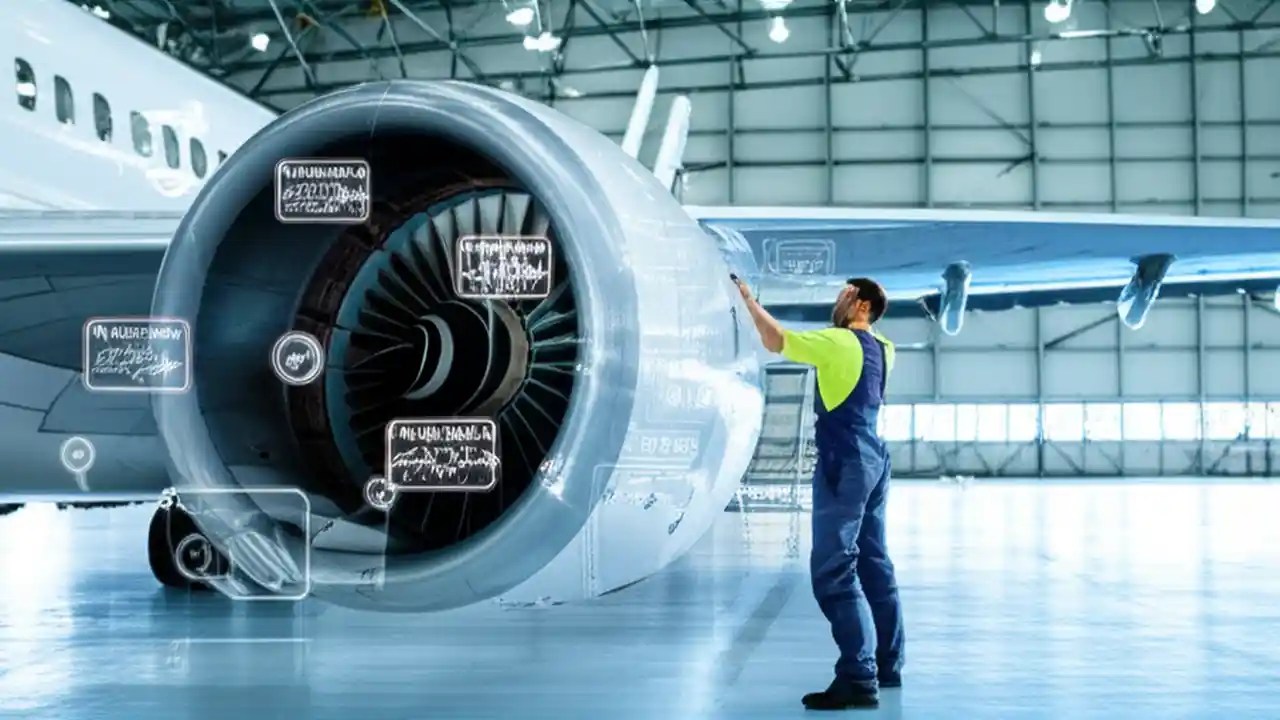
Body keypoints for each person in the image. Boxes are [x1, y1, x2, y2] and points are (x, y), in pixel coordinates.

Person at [732, 275, 905, 711]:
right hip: (874, 459)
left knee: (833, 569)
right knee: (875, 563)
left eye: (846, 295)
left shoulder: (838, 342)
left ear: (864, 306)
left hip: (843, 463)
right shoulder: (885, 349)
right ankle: (887, 665)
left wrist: (750, 302)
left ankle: (858, 677)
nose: (839, 300)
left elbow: (777, 341)